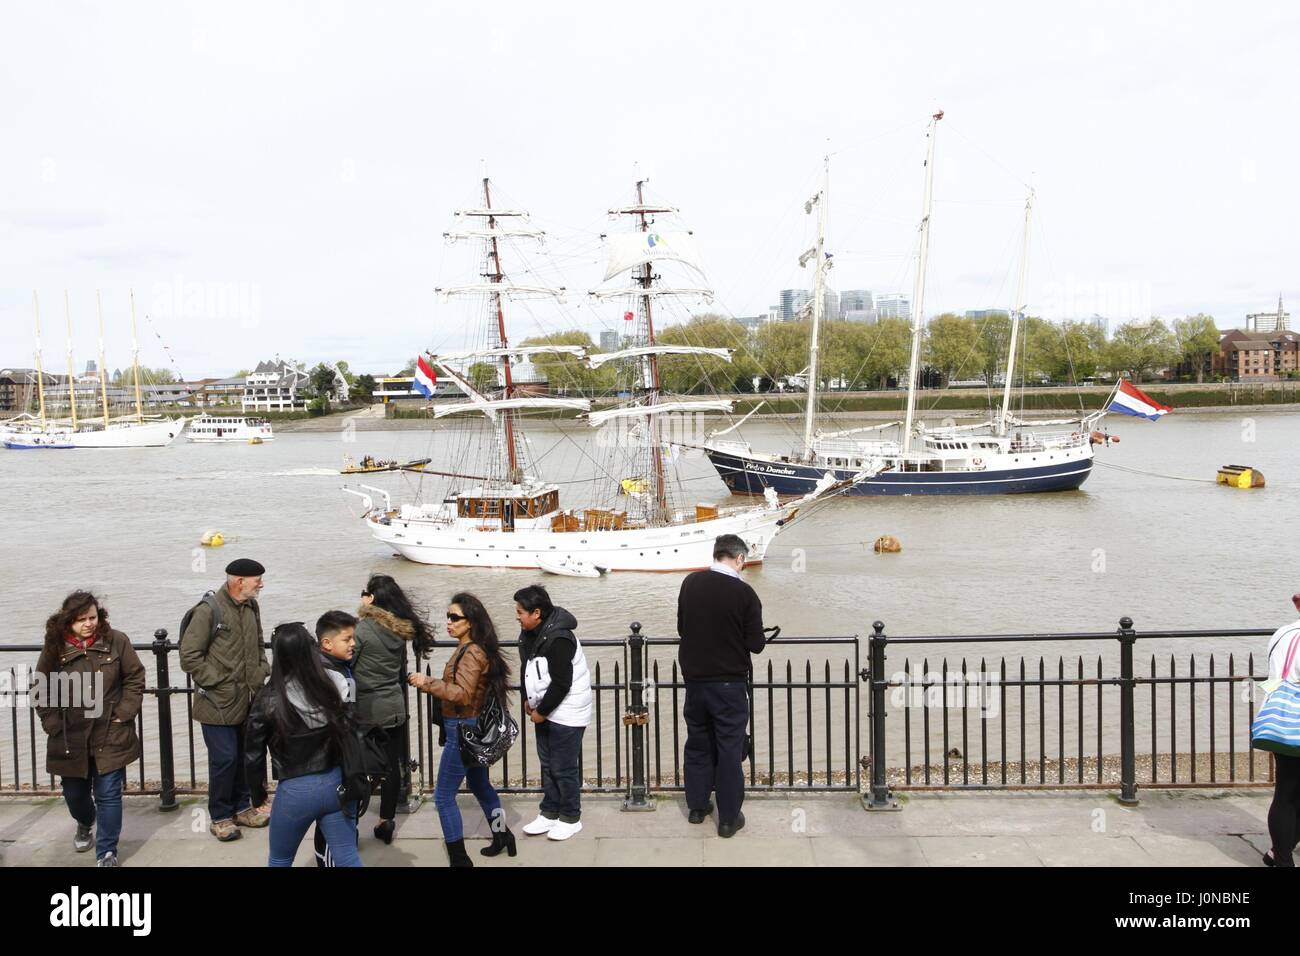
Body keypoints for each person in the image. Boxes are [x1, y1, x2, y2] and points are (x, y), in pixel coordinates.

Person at [35, 591, 146, 867]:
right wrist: (52, 724)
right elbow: (40, 688)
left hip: (110, 731)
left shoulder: (117, 641)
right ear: (68, 622)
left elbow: (135, 677)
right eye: (81, 619)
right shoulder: (55, 648)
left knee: (109, 794)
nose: (88, 624)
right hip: (69, 736)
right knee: (75, 795)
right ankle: (85, 821)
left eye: (93, 617)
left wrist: (124, 712)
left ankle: (107, 852)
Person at [244, 622, 363, 868]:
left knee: (280, 859)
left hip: (295, 791)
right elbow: (349, 730)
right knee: (347, 856)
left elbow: (253, 755)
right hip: (334, 783)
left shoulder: (267, 698)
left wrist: (258, 794)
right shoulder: (328, 686)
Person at [408, 592, 511, 866]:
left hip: (463, 730)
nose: (449, 622)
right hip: (472, 728)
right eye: (448, 617)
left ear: (470, 621)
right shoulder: (471, 649)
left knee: (443, 797)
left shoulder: (472, 652)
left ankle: (459, 859)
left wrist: (426, 682)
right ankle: (503, 836)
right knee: (479, 784)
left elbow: (463, 694)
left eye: (455, 617)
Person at [676, 534, 766, 838]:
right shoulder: (745, 594)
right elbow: (756, 645)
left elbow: (682, 627)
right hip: (728, 684)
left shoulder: (690, 584)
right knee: (729, 748)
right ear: (739, 559)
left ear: (716, 555)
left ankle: (698, 808)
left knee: (698, 743)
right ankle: (728, 819)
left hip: (695, 681)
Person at [179, 558, 272, 842]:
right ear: (238, 581)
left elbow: (257, 643)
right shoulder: (209, 610)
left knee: (244, 756)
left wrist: (262, 669)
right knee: (225, 759)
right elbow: (189, 656)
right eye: (257, 580)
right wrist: (217, 681)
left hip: (247, 698)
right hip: (216, 703)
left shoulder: (251, 606)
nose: (261, 584)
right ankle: (220, 816)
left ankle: (243, 808)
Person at [354, 574, 433, 844]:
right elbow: (400, 672)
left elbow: (348, 663)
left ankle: (351, 820)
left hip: (369, 711)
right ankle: (386, 820)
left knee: (359, 767)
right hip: (395, 708)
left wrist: (362, 611)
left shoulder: (363, 629)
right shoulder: (400, 632)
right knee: (389, 768)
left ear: (372, 598)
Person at [515, 584, 591, 841]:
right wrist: (527, 699)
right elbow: (526, 668)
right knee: (548, 765)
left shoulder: (559, 638)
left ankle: (571, 817)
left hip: (567, 711)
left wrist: (542, 712)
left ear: (536, 613)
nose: (517, 616)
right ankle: (549, 813)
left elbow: (562, 683)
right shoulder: (530, 633)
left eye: (520, 611)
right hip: (546, 709)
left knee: (564, 767)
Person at [312, 610, 358, 867]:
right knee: (335, 825)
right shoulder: (332, 674)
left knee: (342, 824)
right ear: (327, 643)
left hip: (339, 759)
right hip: (337, 761)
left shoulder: (338, 667)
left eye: (354, 638)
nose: (353, 644)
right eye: (347, 639)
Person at [1263, 593, 1300, 868]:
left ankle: (1281, 857)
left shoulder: (1282, 634)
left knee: (1285, 791)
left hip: (1283, 721)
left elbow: (1274, 678)